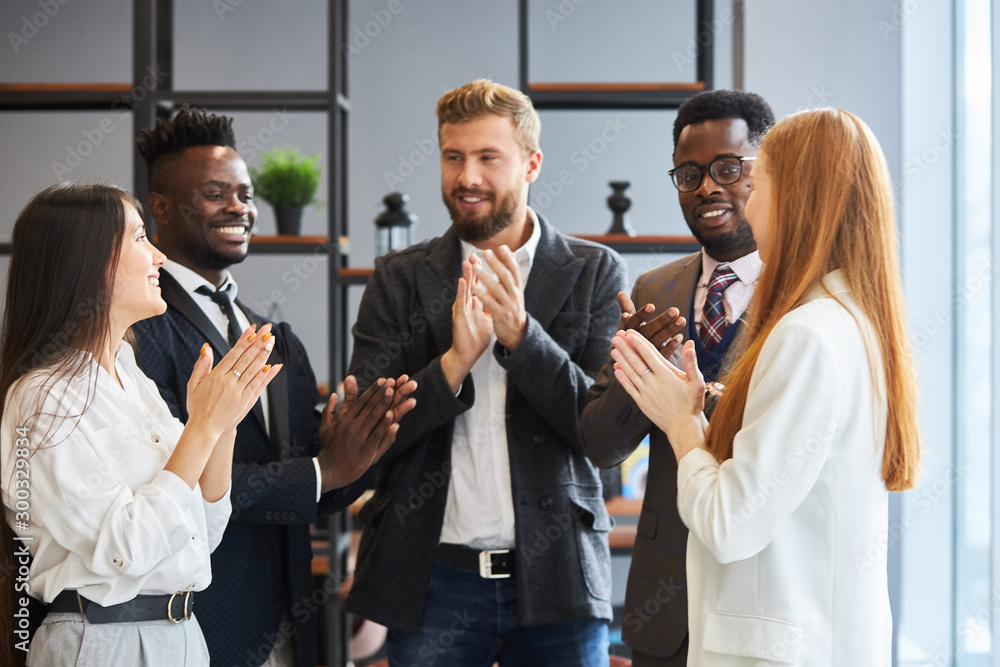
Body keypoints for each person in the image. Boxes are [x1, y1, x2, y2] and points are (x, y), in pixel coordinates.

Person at [610, 108, 923, 665]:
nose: (747, 207)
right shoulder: (852, 322)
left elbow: (727, 524)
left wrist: (683, 423)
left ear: (798, 200)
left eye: (756, 185)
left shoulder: (805, 335)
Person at [346, 79, 627, 666]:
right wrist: (453, 363)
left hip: (560, 580)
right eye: (454, 157)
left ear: (531, 164)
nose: (466, 177)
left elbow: (600, 432)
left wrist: (523, 338)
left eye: (487, 158)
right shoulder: (397, 278)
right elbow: (369, 434)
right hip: (432, 580)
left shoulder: (594, 272)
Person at [131, 107, 416, 667]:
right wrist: (320, 471)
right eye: (217, 193)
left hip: (288, 627)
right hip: (195, 624)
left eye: (246, 192)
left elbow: (317, 489)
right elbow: (170, 486)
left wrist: (359, 450)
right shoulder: (139, 329)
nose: (240, 207)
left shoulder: (274, 335)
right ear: (161, 207)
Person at [0, 183, 281, 665]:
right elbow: (126, 548)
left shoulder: (132, 377)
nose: (159, 258)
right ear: (85, 262)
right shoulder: (42, 398)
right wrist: (201, 429)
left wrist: (222, 423)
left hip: (182, 633)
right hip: (104, 640)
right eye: (138, 239)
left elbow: (203, 532)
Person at [580, 89, 775, 666]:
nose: (708, 187)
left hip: (759, 590)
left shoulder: (799, 293)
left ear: (765, 172)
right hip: (665, 605)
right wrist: (637, 371)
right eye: (689, 174)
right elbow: (599, 445)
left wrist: (685, 397)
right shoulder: (653, 292)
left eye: (727, 168)